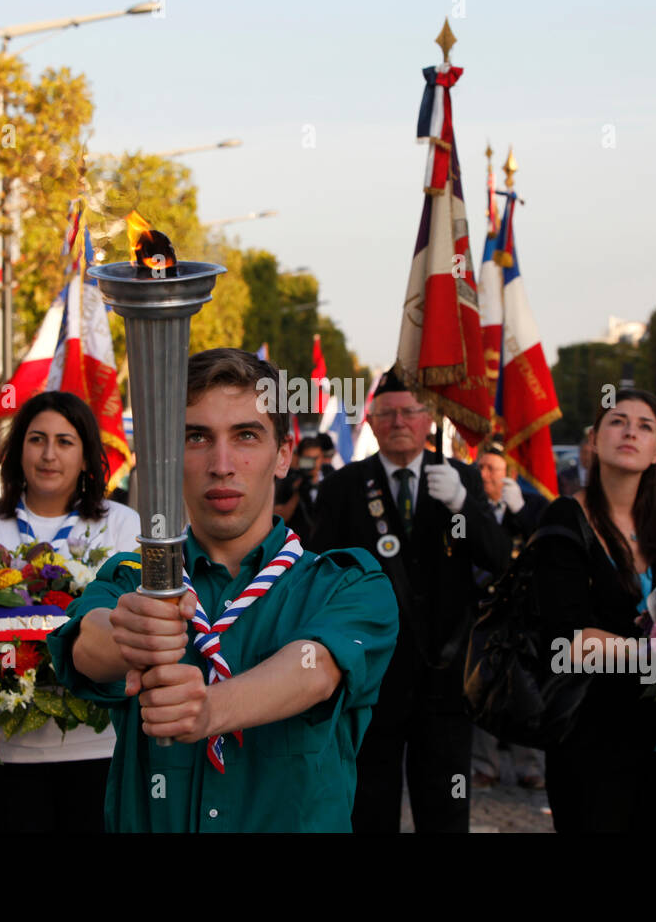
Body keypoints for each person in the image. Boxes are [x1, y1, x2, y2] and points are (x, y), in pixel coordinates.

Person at [49, 348, 398, 832]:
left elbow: (314, 669)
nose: (221, 463)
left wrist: (209, 709)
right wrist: (128, 634)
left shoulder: (348, 584)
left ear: (283, 455)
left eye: (246, 436)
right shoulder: (135, 578)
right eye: (197, 437)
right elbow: (86, 644)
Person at [309, 368, 510, 833]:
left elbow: (499, 557)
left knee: (444, 804)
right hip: (370, 675)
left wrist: (463, 506)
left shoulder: (460, 477)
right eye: (387, 413)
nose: (399, 421)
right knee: (370, 804)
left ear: (428, 420)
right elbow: (322, 571)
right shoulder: (344, 486)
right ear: (372, 423)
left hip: (445, 673)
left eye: (409, 412)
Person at [0, 392, 139, 833]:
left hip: (99, 745)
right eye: (36, 439)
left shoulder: (123, 526)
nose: (49, 454)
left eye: (65, 441)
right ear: (17, 451)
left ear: (88, 454)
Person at [533, 388, 656, 833]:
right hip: (589, 735)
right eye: (617, 421)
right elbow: (568, 643)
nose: (630, 431)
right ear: (594, 440)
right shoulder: (563, 519)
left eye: (645, 426)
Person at [471, 437, 549, 791]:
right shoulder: (471, 507)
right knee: (482, 685)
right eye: (481, 467)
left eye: (493, 468)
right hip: (482, 608)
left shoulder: (530, 505)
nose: (485, 474)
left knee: (525, 688)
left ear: (509, 474)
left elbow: (548, 548)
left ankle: (528, 765)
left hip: (523, 612)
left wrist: (520, 513)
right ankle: (484, 765)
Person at [558, 428, 594, 498]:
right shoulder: (564, 476)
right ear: (579, 453)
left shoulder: (603, 475)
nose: (587, 457)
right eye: (584, 452)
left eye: (591, 453)